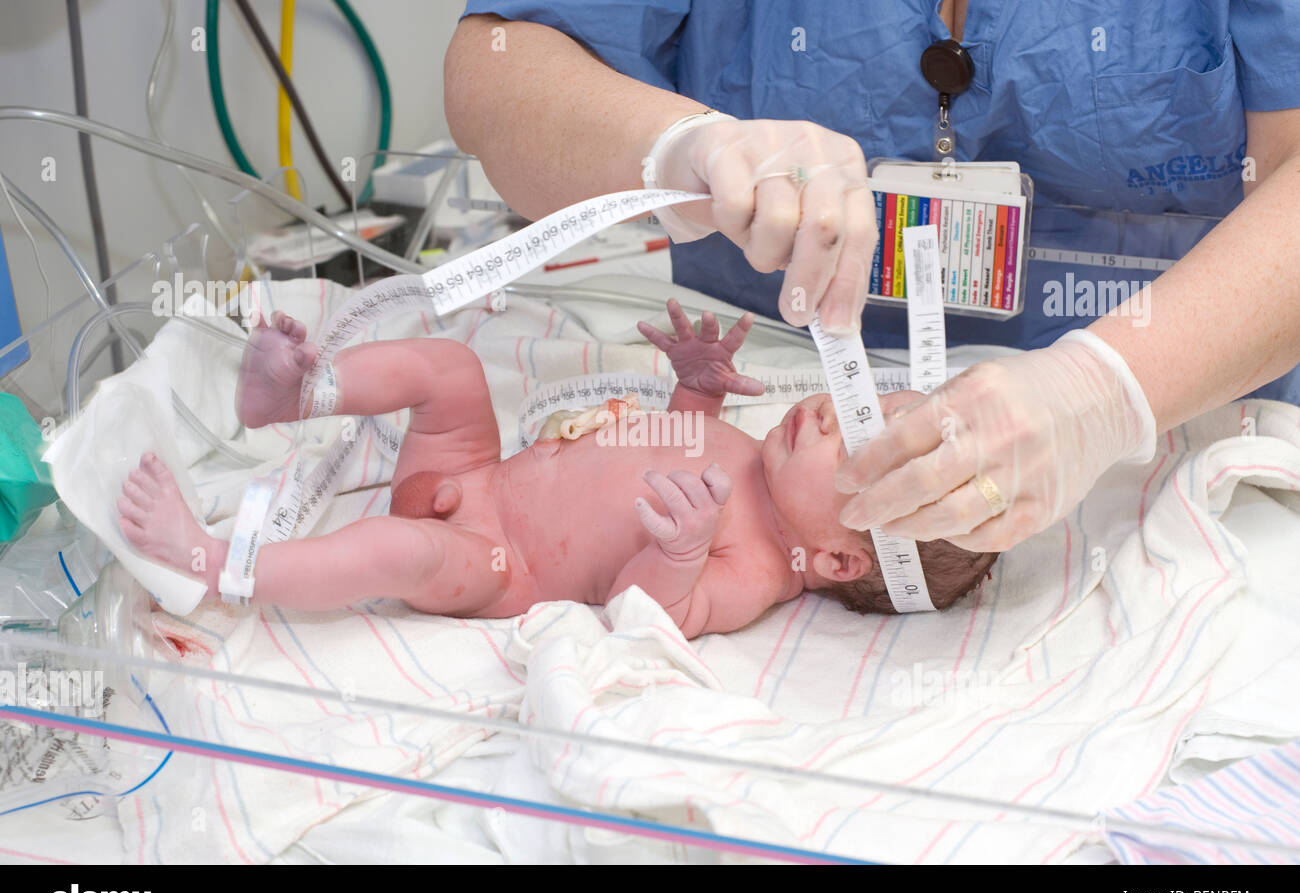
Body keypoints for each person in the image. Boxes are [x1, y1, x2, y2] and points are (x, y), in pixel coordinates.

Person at [443, 1, 1300, 553]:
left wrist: (1105, 390)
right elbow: (498, 61)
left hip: (1180, 398)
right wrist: (685, 145)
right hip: (762, 370)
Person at [115, 305, 996, 637]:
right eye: (857, 405)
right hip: (479, 476)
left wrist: (681, 555)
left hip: (492, 562)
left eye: (852, 445)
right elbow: (672, 448)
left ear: (839, 560)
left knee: (394, 550)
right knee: (449, 372)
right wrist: (695, 392)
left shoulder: (759, 569)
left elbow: (644, 610)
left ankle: (218, 563)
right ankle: (304, 392)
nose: (831, 416)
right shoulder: (757, 456)